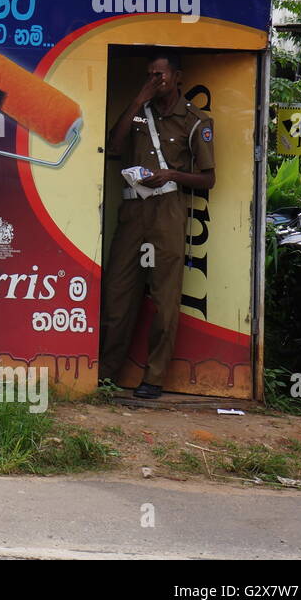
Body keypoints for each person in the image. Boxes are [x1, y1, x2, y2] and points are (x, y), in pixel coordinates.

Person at [99, 49, 215, 399]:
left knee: (165, 298)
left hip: (168, 207)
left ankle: (155, 377)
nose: (155, 81)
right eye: (150, 75)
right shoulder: (139, 113)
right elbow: (114, 146)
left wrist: (171, 174)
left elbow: (208, 179)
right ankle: (106, 372)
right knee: (118, 292)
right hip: (134, 209)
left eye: (160, 75)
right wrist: (138, 99)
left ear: (178, 77)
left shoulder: (195, 120)